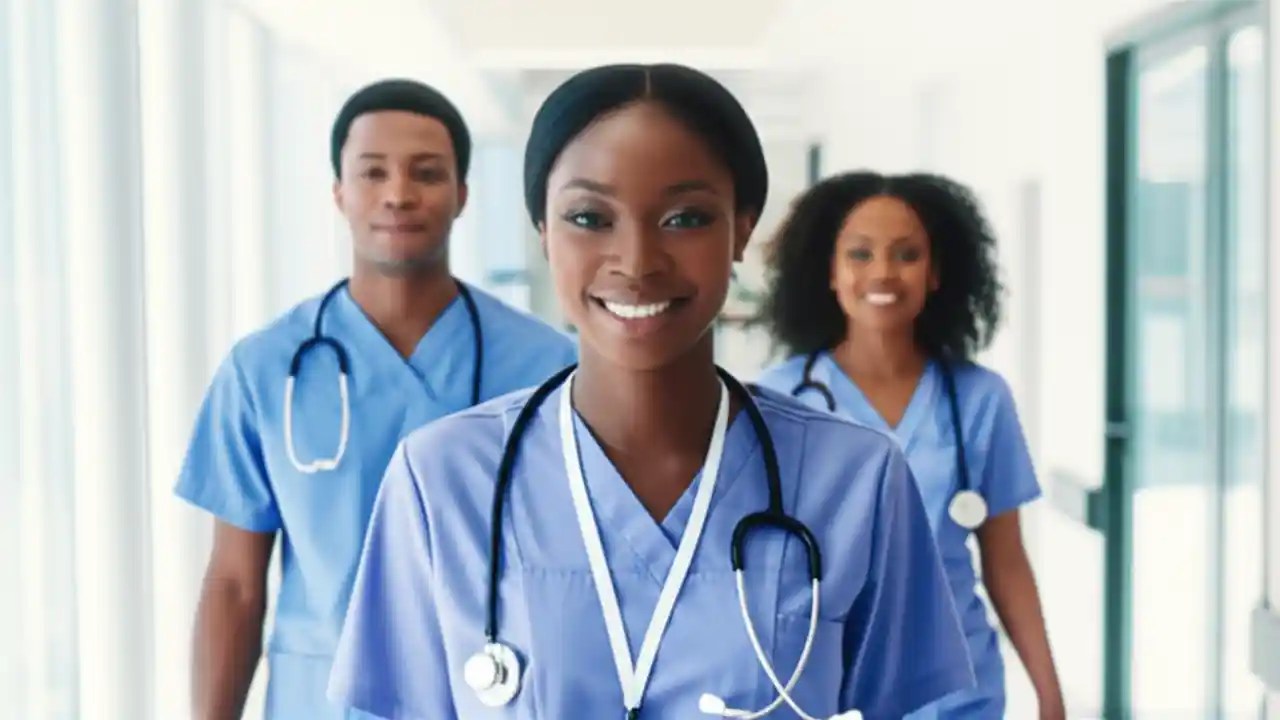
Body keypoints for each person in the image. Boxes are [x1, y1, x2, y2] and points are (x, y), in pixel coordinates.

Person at [327, 64, 974, 720]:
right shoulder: (442, 479)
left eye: (685, 217)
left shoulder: (857, 481)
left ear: (742, 228)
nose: (636, 261)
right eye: (588, 216)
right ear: (544, 232)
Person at [176, 78, 577, 720]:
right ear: (339, 192)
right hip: (320, 701)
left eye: (426, 172)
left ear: (462, 194)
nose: (397, 193)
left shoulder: (549, 366)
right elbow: (235, 586)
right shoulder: (264, 369)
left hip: (493, 695)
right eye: (372, 172)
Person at [755, 171, 1065, 720]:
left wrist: (1049, 694)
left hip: (959, 689)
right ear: (829, 271)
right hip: (825, 686)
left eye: (907, 254)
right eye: (859, 254)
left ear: (936, 273)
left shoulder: (978, 398)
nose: (883, 273)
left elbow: (1006, 559)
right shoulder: (778, 399)